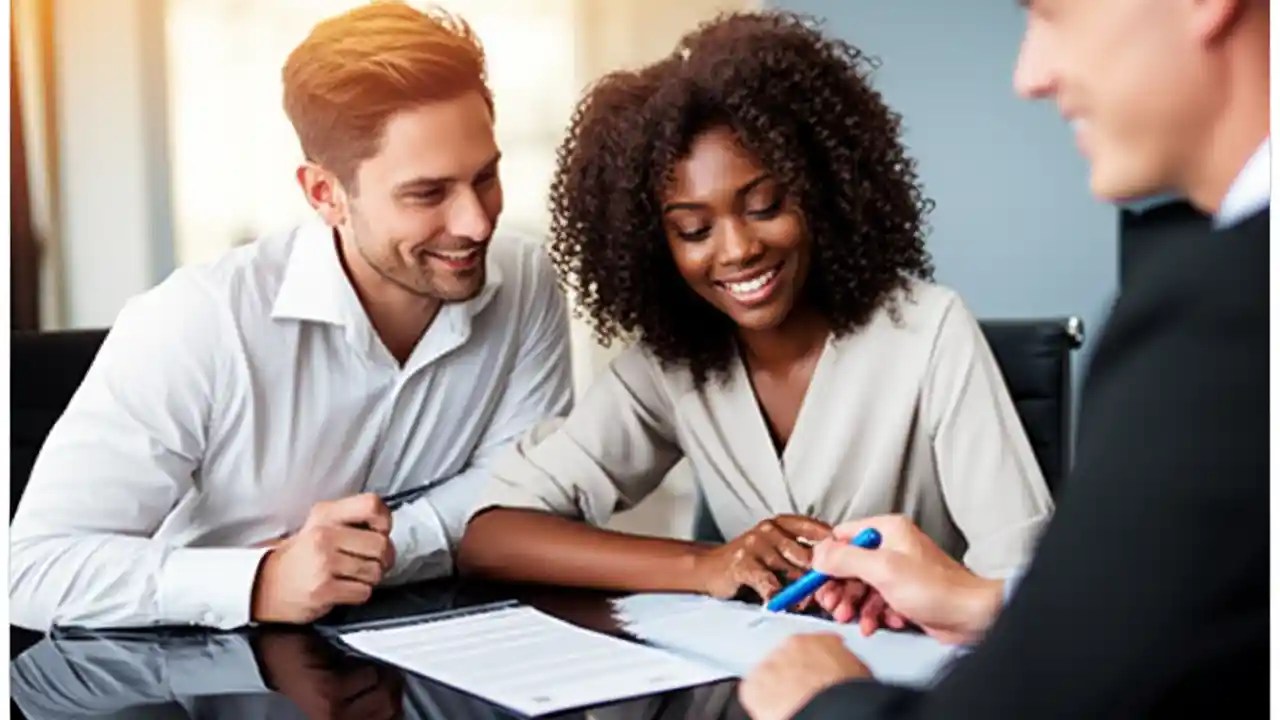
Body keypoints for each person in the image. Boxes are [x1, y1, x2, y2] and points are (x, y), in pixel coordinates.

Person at [739, 0, 1269, 717]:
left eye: (1052, 14)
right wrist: (983, 601)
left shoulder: (1224, 314)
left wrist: (826, 700)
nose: (1030, 75)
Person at [9, 2, 572, 632]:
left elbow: (525, 492)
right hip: (209, 671)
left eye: (486, 177)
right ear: (325, 194)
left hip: (440, 648)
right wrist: (260, 580)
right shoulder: (199, 323)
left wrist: (375, 554)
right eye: (428, 193)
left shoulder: (524, 279)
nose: (476, 222)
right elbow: (32, 571)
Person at [456, 12, 1053, 605]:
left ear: (821, 190)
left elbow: (1027, 582)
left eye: (766, 206)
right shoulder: (672, 364)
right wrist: (704, 563)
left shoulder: (928, 333)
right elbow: (491, 535)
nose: (738, 250)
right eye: (693, 231)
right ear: (653, 245)